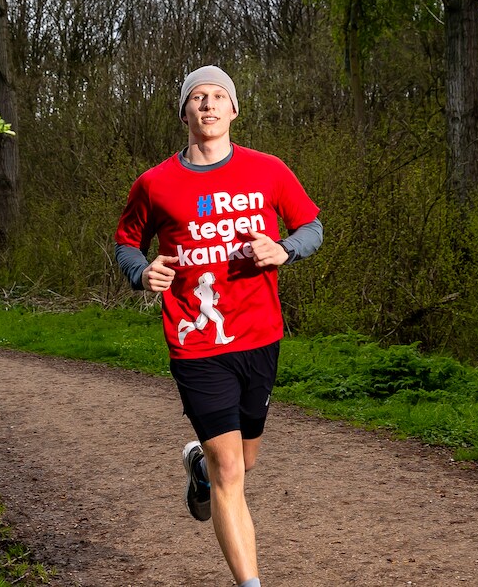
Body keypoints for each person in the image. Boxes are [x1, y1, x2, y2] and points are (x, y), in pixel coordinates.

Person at [114, 65, 323, 587]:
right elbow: (125, 243)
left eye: (218, 96)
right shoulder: (155, 183)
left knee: (243, 462)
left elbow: (311, 226)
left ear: (234, 110)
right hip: (195, 341)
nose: (208, 105)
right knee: (233, 470)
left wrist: (285, 250)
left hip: (260, 335)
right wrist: (142, 272)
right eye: (197, 97)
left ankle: (200, 471)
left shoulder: (269, 170)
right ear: (184, 111)